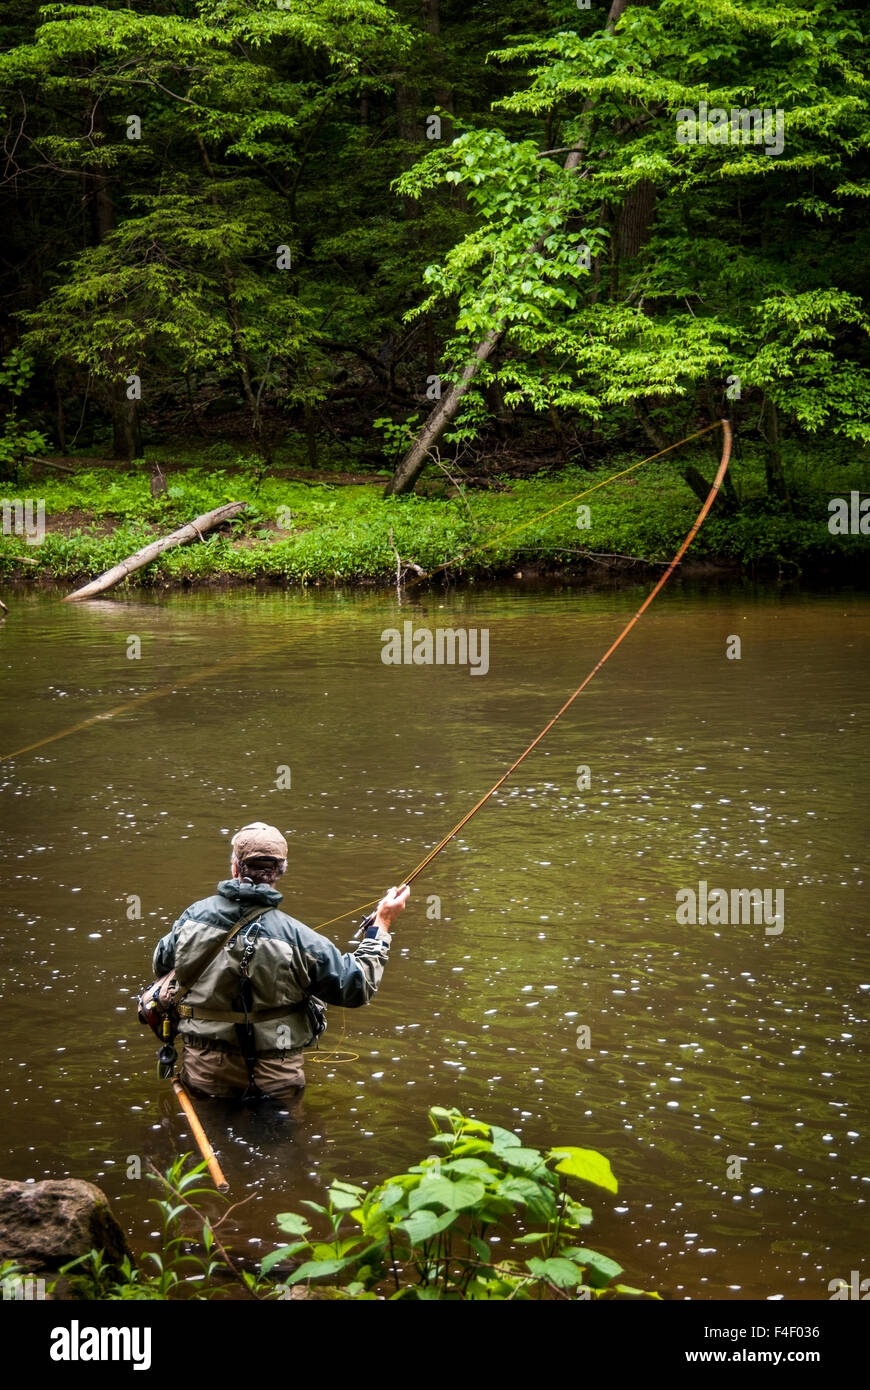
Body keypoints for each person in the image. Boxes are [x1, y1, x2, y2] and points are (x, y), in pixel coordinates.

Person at [150, 821, 409, 1104]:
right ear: (280, 872)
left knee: (211, 1135)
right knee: (281, 1142)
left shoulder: (192, 919)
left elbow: (161, 966)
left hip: (207, 1068)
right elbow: (356, 986)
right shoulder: (301, 939)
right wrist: (380, 925)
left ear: (235, 867)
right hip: (278, 1074)